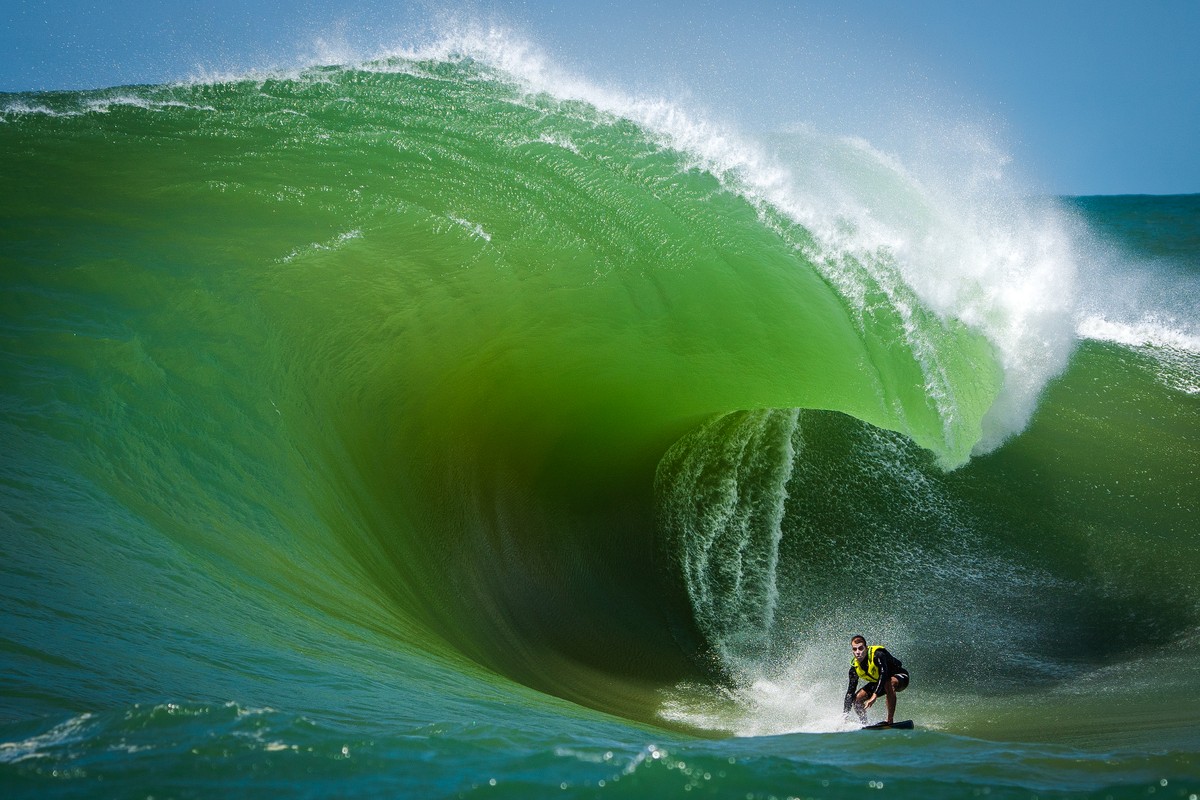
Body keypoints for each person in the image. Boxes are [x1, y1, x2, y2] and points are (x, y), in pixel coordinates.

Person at [843, 635, 909, 726]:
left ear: (866, 648)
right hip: (881, 682)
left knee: (888, 682)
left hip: (900, 677)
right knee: (857, 698)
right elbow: (850, 693)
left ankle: (889, 721)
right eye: (855, 649)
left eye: (861, 648)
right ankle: (864, 724)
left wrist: (874, 695)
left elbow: (884, 673)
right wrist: (845, 716)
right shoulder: (854, 669)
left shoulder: (878, 655)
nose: (858, 652)